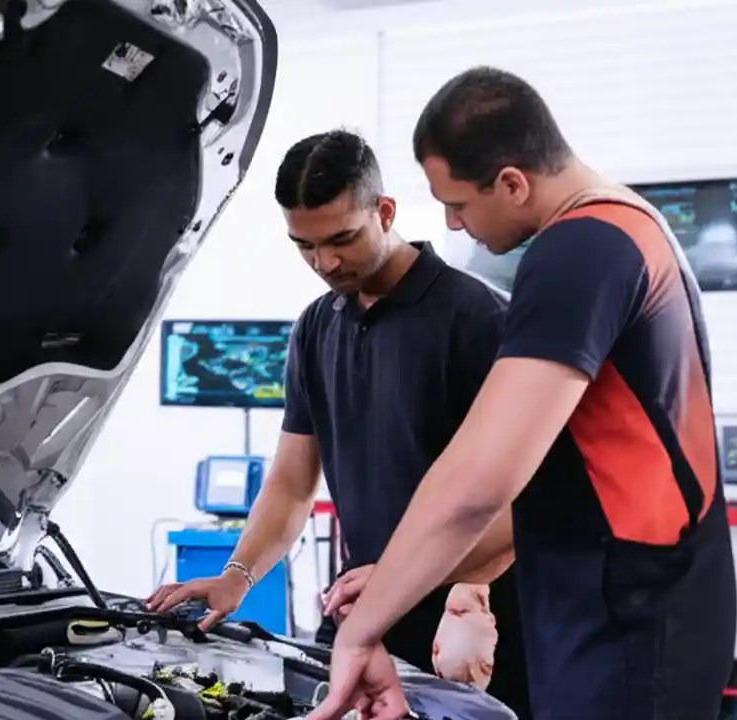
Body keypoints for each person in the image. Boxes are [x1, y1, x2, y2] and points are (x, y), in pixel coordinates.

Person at [308, 66, 737, 720]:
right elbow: (553, 476)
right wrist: (404, 575)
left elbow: (480, 474)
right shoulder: (628, 227)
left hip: (629, 614)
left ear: (511, 182)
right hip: (639, 598)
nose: (452, 226)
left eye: (457, 204)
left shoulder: (578, 250)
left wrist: (364, 628)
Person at [146, 128, 532, 719]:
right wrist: (237, 576)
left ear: (385, 211)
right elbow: (292, 483)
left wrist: (406, 574)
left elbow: (527, 501)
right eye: (304, 245)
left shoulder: (478, 320)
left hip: (475, 626)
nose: (325, 263)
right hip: (367, 615)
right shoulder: (315, 328)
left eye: (342, 239)